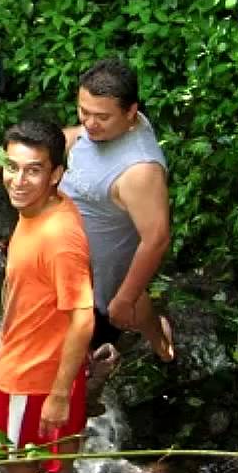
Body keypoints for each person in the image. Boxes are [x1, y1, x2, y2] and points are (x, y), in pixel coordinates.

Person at [0, 119, 94, 473]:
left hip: (29, 375)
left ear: (56, 175)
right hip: (45, 359)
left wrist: (60, 394)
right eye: (12, 167)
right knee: (59, 444)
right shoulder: (44, 207)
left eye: (33, 170)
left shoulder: (59, 238)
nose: (18, 180)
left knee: (14, 451)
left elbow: (83, 317)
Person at [60, 58, 174, 363]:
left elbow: (157, 238)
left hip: (98, 285)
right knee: (136, 302)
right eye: (84, 111)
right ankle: (163, 346)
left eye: (101, 117)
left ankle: (162, 351)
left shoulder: (140, 172)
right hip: (74, 265)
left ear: (131, 112)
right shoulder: (101, 127)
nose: (89, 123)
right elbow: (74, 136)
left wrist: (123, 299)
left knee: (79, 365)